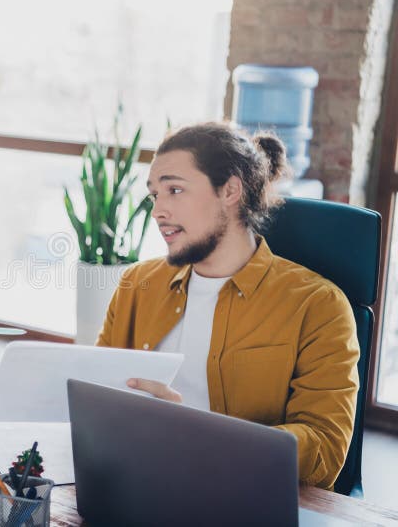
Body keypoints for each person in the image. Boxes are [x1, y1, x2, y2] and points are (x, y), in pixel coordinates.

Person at [97, 122, 359, 490]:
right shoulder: (136, 285)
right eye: (155, 194)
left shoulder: (319, 306)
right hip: (140, 481)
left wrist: (199, 437)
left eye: (175, 190)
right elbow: (94, 392)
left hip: (241, 495)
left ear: (230, 190)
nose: (158, 211)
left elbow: (325, 451)